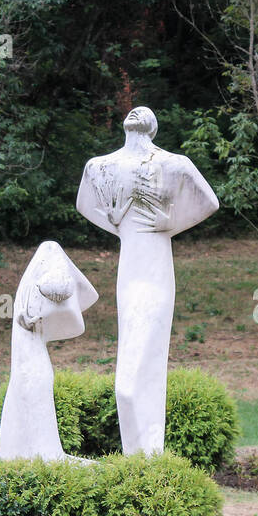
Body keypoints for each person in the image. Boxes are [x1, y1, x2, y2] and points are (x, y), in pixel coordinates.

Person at [76, 106, 220, 454]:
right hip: (129, 271)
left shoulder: (173, 163)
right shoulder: (100, 165)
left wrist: (172, 223)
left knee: (145, 362)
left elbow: (209, 202)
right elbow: (83, 204)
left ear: (153, 128)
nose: (136, 111)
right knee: (130, 361)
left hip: (157, 270)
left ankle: (149, 456)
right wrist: (116, 224)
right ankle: (138, 458)